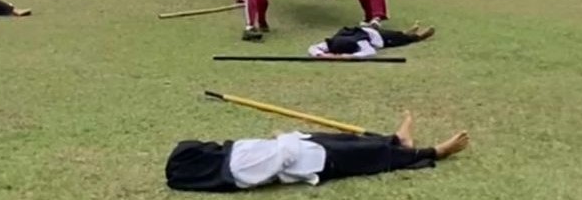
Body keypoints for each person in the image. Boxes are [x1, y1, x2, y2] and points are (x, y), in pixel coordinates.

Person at [165, 111, 470, 192]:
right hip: (311, 159)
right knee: (370, 159)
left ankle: (396, 139)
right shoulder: (236, 169)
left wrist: (288, 137)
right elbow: (279, 159)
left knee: (355, 140)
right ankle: (434, 152)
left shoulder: (230, 159)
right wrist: (283, 136)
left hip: (304, 144)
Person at [308, 23, 434, 58]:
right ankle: (411, 34)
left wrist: (346, 56)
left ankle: (415, 36)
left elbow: (369, 51)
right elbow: (312, 48)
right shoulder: (331, 44)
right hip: (371, 34)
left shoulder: (358, 42)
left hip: (376, 36)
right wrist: (322, 54)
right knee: (397, 36)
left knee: (401, 38)